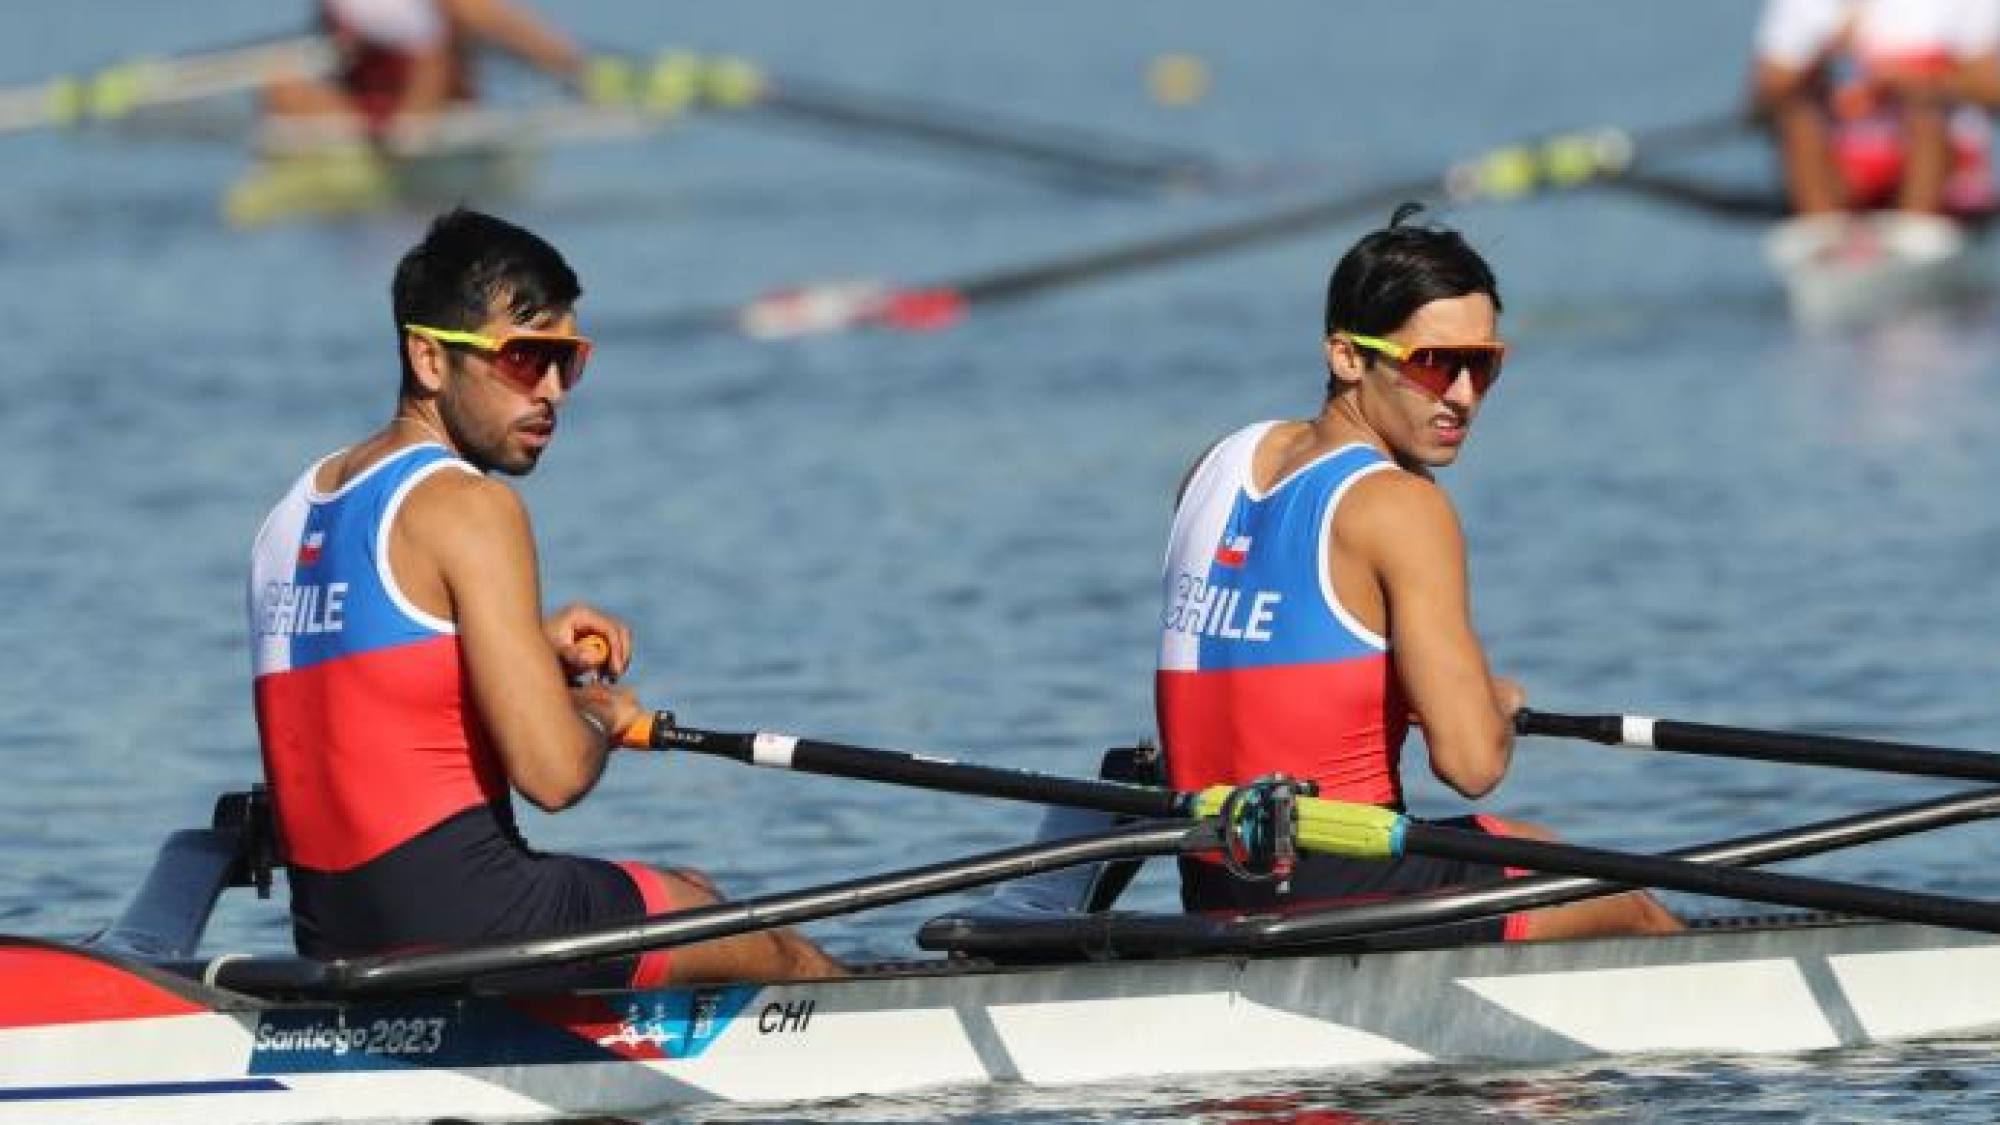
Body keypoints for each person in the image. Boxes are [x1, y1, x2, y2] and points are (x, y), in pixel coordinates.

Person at [248, 208, 843, 985]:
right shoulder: (472, 508)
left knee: (691, 890)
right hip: (475, 920)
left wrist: (526, 647)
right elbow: (553, 774)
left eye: (569, 361)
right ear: (429, 358)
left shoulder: (291, 511)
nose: (554, 391)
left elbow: (366, 699)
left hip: (334, 933)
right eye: (526, 358)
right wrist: (601, 714)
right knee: (776, 950)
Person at [1155, 205, 1682, 943]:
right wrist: (1485, 707)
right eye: (1434, 364)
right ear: (1347, 356)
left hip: (1212, 883)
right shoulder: (1398, 506)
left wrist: (1411, 693)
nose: (1462, 395)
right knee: (1629, 902)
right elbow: (1471, 765)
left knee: (1526, 853)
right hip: (1344, 890)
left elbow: (1268, 678)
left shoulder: (1216, 464)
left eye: (1484, 365)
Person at [1753, 0, 2000, 218]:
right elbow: (1766, 91)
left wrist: (1904, 81)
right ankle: (1822, 225)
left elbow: (1991, 89)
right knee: (1799, 118)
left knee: (1925, 112)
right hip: (1842, 164)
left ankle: (1916, 225)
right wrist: (1822, 62)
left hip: (1940, 157)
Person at [264, 0, 587, 138]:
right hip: (370, 118)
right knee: (282, 84)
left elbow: (435, 54)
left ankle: (586, 72)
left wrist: (570, 66)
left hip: (426, 110)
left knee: (442, 47)